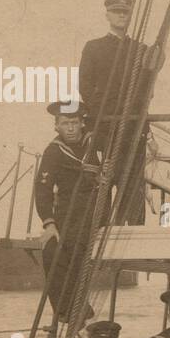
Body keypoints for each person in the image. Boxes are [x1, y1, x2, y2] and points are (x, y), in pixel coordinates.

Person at [78, 0, 150, 224]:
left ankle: (134, 245)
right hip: (104, 126)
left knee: (132, 187)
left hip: (132, 129)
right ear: (107, 15)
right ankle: (97, 239)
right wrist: (104, 113)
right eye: (116, 11)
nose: (121, 15)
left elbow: (147, 90)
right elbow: (85, 86)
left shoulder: (141, 49)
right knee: (101, 185)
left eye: (125, 12)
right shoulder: (94, 47)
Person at [35, 100, 103, 322]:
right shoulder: (53, 152)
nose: (71, 128)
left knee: (74, 247)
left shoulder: (96, 144)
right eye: (65, 123)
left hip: (97, 208)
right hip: (68, 212)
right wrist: (49, 223)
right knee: (51, 251)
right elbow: (42, 189)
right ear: (57, 126)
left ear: (82, 123)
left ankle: (77, 307)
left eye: (74, 122)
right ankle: (66, 310)